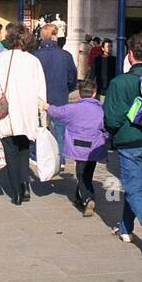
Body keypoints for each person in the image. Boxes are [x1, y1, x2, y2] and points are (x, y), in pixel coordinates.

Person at [103, 29, 142, 258]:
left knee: (133, 189)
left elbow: (112, 119)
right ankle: (126, 229)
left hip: (129, 142)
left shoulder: (121, 82)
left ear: (130, 55)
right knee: (136, 188)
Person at [0, 25, 46, 206]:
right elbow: (41, 91)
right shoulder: (33, 61)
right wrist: (42, 114)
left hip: (7, 114)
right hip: (27, 114)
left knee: (10, 152)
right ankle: (25, 183)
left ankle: (16, 192)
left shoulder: (2, 59)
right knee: (24, 150)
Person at [46, 78, 108, 215]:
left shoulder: (73, 108)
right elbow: (106, 127)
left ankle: (87, 198)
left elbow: (57, 112)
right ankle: (81, 197)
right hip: (94, 148)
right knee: (88, 174)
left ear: (79, 94)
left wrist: (46, 107)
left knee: (80, 174)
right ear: (94, 93)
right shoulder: (100, 110)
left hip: (78, 146)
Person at [33, 22, 76, 156]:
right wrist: (66, 90)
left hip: (39, 98)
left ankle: (39, 155)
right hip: (59, 97)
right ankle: (59, 158)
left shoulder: (34, 55)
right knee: (60, 130)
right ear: (53, 36)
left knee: (40, 128)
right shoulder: (65, 55)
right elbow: (72, 78)